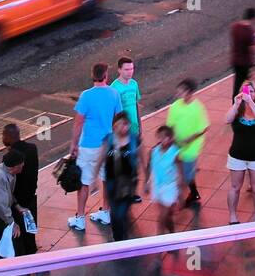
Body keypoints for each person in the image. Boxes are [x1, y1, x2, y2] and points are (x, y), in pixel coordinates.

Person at [68, 63, 122, 231]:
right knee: (106, 178)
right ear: (106, 76)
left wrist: (74, 144)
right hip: (107, 145)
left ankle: (80, 218)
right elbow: (119, 119)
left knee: (84, 182)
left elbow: (78, 123)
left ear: (93, 75)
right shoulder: (114, 94)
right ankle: (105, 212)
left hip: (88, 146)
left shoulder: (86, 96)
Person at [225, 83, 255, 224]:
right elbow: (227, 119)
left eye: (253, 91)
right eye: (247, 91)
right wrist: (236, 104)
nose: (250, 93)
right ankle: (232, 216)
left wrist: (250, 103)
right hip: (237, 154)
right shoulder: (237, 110)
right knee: (235, 187)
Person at [167, 79, 210, 208]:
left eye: (182, 91)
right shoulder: (175, 106)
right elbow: (170, 125)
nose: (178, 93)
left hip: (191, 148)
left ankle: (176, 200)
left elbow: (203, 127)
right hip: (176, 145)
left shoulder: (197, 108)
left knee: (185, 175)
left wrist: (189, 140)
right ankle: (193, 193)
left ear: (190, 92)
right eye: (178, 90)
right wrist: (172, 139)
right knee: (177, 171)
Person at [101, 113, 141, 241]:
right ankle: (118, 237)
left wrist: (147, 180)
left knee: (121, 211)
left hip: (128, 181)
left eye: (125, 124)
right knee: (114, 210)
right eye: (119, 125)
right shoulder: (109, 139)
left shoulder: (134, 140)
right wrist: (94, 180)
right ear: (114, 126)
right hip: (111, 180)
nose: (122, 127)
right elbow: (100, 158)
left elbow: (143, 158)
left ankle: (121, 234)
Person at [3, 124, 39, 256]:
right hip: (31, 195)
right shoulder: (32, 148)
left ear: (8, 137)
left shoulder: (11, 156)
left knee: (19, 233)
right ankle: (32, 251)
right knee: (30, 229)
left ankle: (22, 257)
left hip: (17, 199)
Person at [144, 125, 183, 235]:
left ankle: (159, 243)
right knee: (166, 215)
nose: (161, 140)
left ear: (170, 138)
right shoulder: (153, 152)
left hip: (170, 186)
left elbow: (180, 173)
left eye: (164, 137)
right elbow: (148, 166)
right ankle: (172, 233)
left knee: (162, 216)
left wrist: (180, 194)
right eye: (159, 137)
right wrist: (146, 182)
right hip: (157, 185)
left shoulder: (176, 153)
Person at [111, 56, 142, 165]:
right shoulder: (114, 89)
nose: (130, 72)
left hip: (134, 128)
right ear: (119, 70)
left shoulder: (134, 84)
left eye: (132, 69)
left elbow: (136, 104)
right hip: (122, 132)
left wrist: (140, 126)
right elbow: (112, 113)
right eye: (127, 69)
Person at [230, 7, 255, 96]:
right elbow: (252, 49)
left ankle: (236, 102)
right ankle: (245, 99)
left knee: (237, 83)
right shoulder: (249, 31)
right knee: (248, 83)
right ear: (253, 18)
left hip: (235, 60)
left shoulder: (235, 26)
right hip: (246, 62)